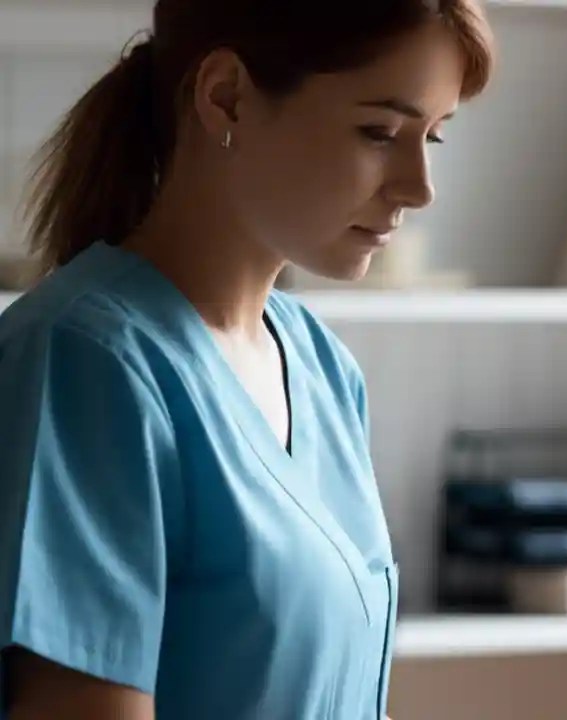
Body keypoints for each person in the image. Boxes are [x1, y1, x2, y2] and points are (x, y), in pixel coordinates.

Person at [0, 0, 493, 717]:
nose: (419, 187)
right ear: (225, 96)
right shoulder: (87, 364)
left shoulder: (323, 368)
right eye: (381, 132)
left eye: (434, 138)